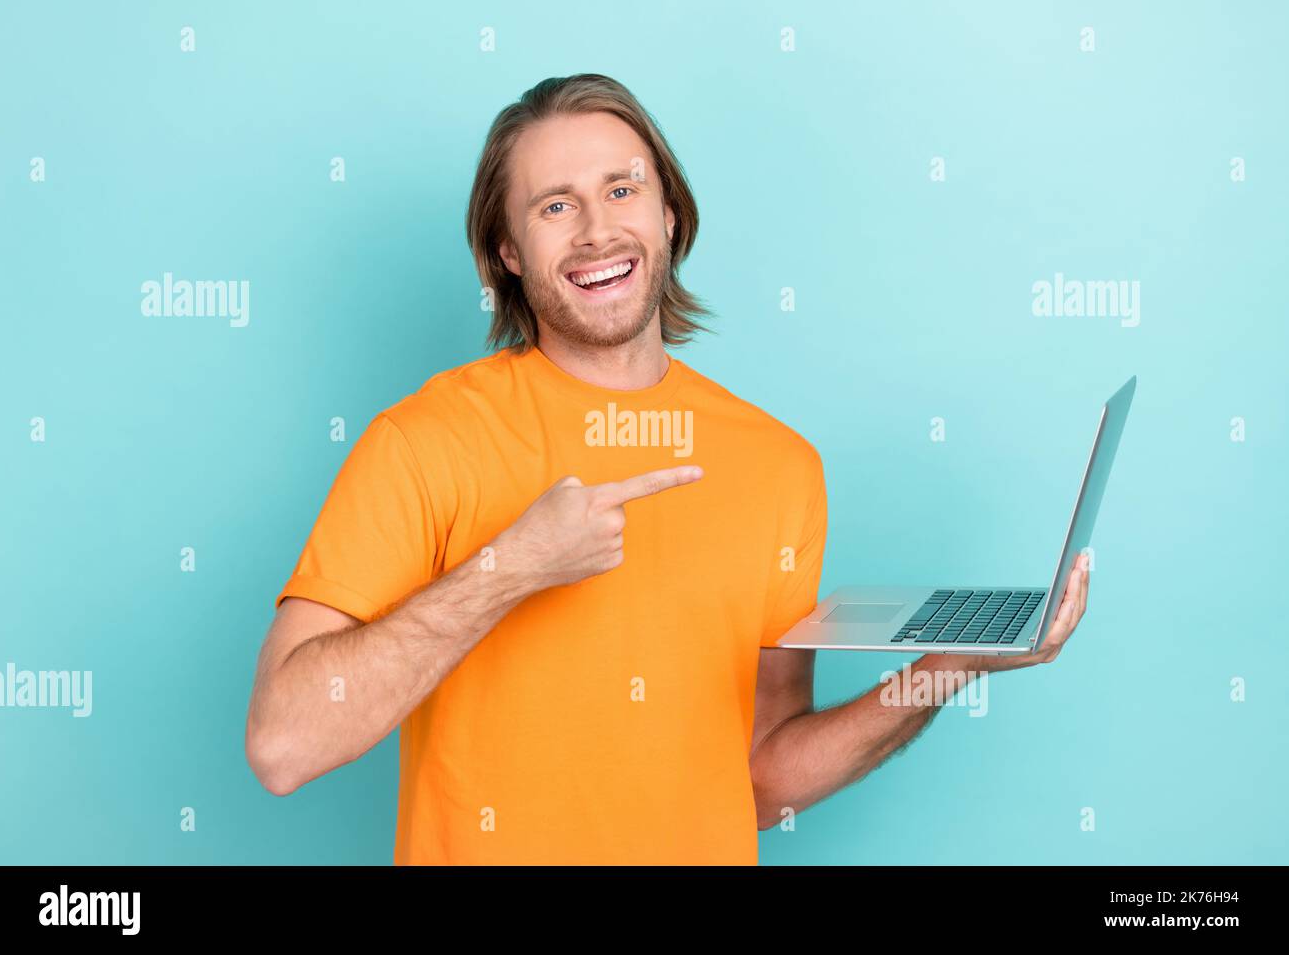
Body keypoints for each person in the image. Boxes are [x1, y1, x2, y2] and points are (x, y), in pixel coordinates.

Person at [244, 73, 1090, 865]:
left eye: (622, 190)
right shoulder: (425, 440)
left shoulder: (778, 466)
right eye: (554, 206)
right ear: (507, 250)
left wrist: (945, 671)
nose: (597, 231)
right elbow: (284, 745)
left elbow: (761, 778)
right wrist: (513, 568)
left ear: (669, 215)